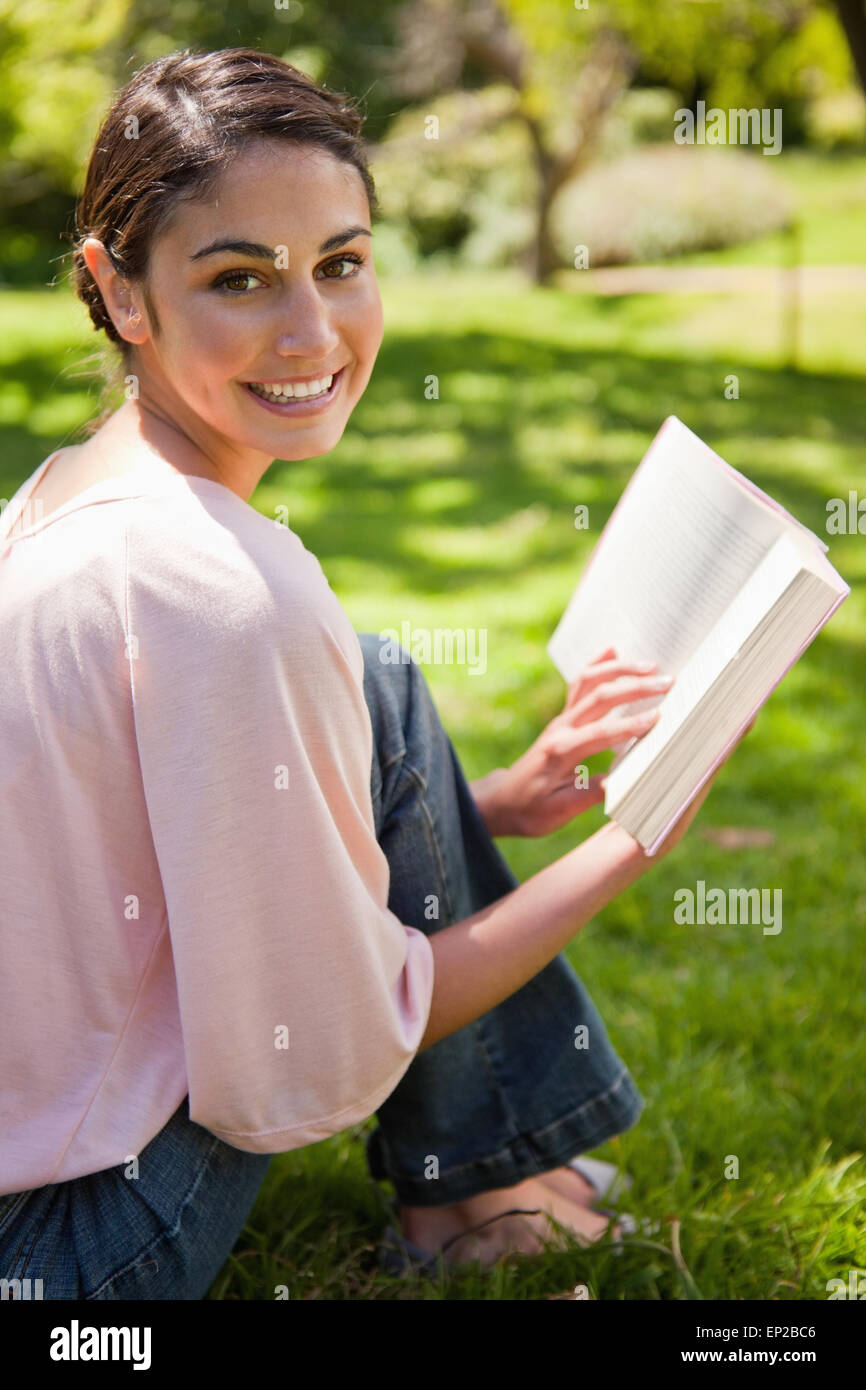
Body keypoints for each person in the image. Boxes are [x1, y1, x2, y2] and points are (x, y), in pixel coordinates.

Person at [0, 47, 753, 1299]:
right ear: (118, 292)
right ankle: (480, 1195)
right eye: (239, 277)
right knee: (367, 709)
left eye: (340, 263)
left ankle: (485, 1184)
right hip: (68, 1255)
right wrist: (635, 834)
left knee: (381, 678)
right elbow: (342, 1035)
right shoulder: (227, 589)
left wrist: (490, 806)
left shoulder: (58, 493)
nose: (312, 331)